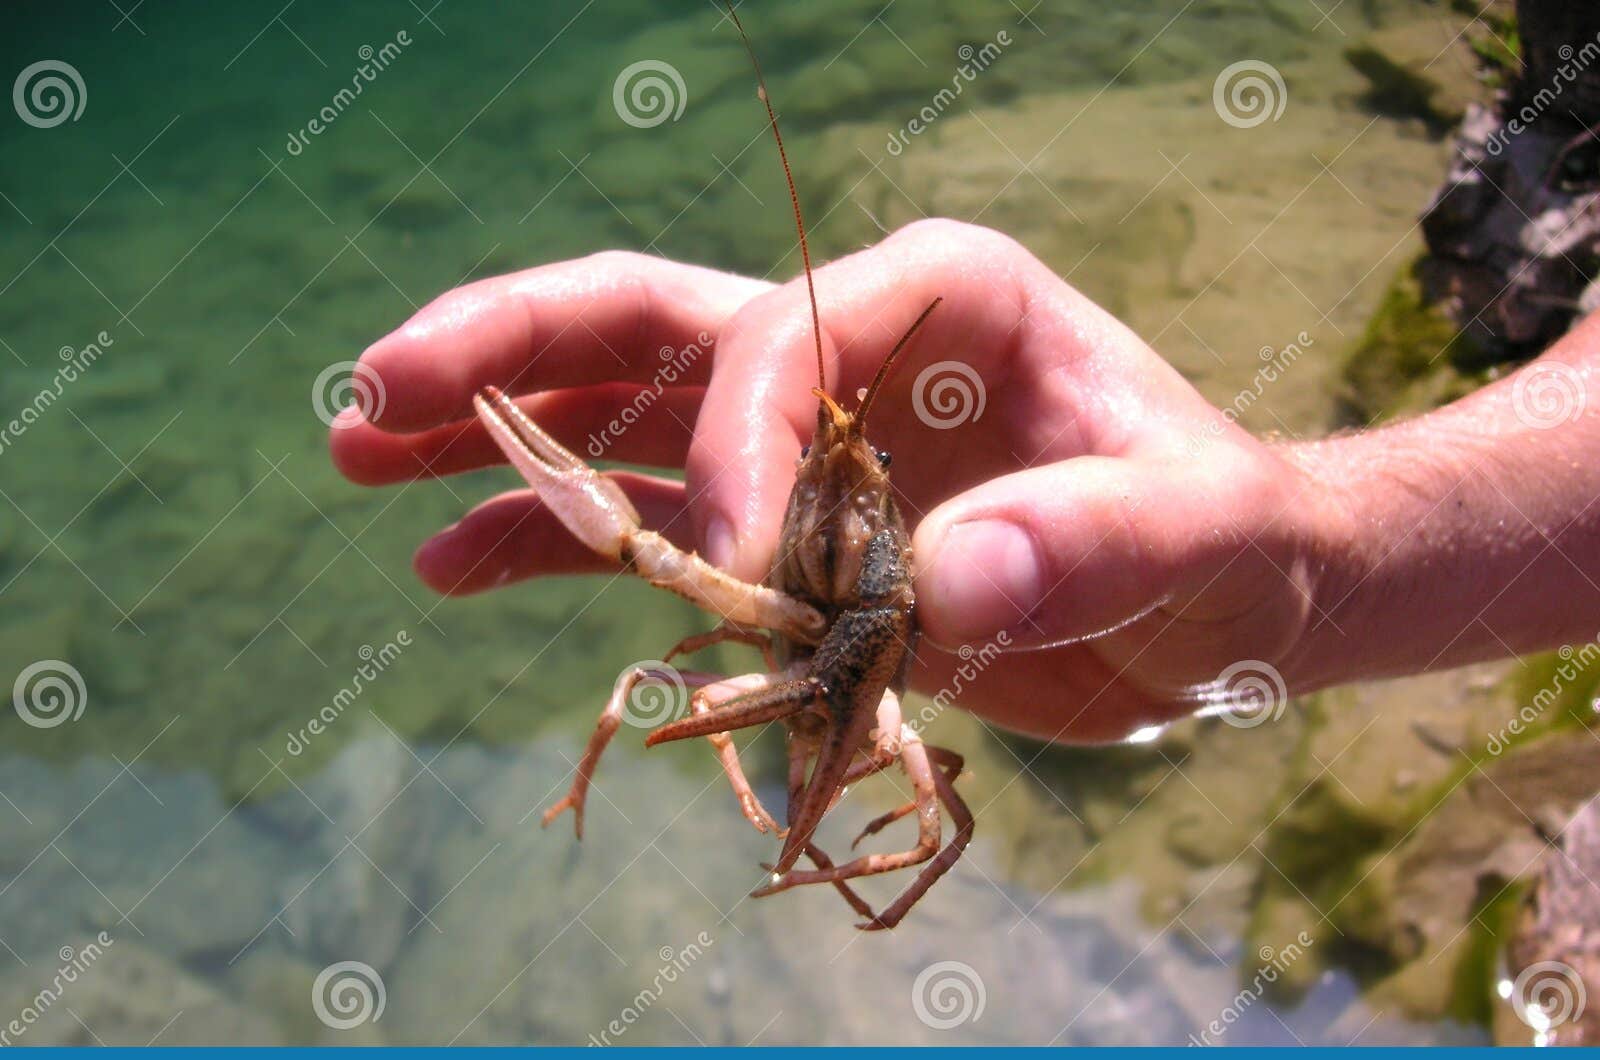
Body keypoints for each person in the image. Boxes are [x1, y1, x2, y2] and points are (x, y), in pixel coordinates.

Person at [328, 219, 1600, 743]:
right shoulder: (831, 493)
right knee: (633, 692)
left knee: (679, 707)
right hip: (819, 657)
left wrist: (1311, 560)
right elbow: (671, 559)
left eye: (866, 458)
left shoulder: (934, 556)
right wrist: (1318, 565)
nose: (846, 464)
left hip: (866, 671)